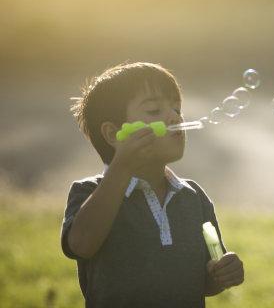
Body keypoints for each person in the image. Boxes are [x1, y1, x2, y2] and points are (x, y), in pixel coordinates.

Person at [61, 62, 244, 307]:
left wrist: (220, 274)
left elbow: (204, 281)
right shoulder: (90, 193)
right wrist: (121, 167)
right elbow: (82, 244)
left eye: (177, 108)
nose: (174, 117)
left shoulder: (192, 196)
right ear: (114, 134)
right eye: (154, 110)